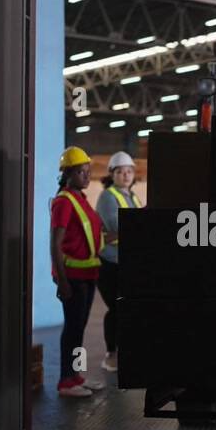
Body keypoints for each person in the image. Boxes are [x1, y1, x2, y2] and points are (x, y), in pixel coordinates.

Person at [51, 146, 117, 397]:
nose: (87, 176)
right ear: (68, 174)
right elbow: (55, 243)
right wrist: (62, 281)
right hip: (74, 278)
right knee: (72, 328)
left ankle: (76, 376)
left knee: (79, 328)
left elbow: (95, 237)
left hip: (88, 276)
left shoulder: (81, 200)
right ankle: (65, 382)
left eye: (89, 171)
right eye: (82, 172)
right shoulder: (64, 202)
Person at [95, 151, 142, 372]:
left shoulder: (133, 197)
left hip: (128, 262)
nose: (126, 175)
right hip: (110, 264)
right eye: (121, 171)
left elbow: (133, 225)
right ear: (112, 174)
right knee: (115, 308)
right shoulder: (107, 196)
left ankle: (125, 351)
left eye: (129, 171)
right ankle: (111, 354)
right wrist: (135, 225)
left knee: (126, 308)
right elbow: (116, 225)